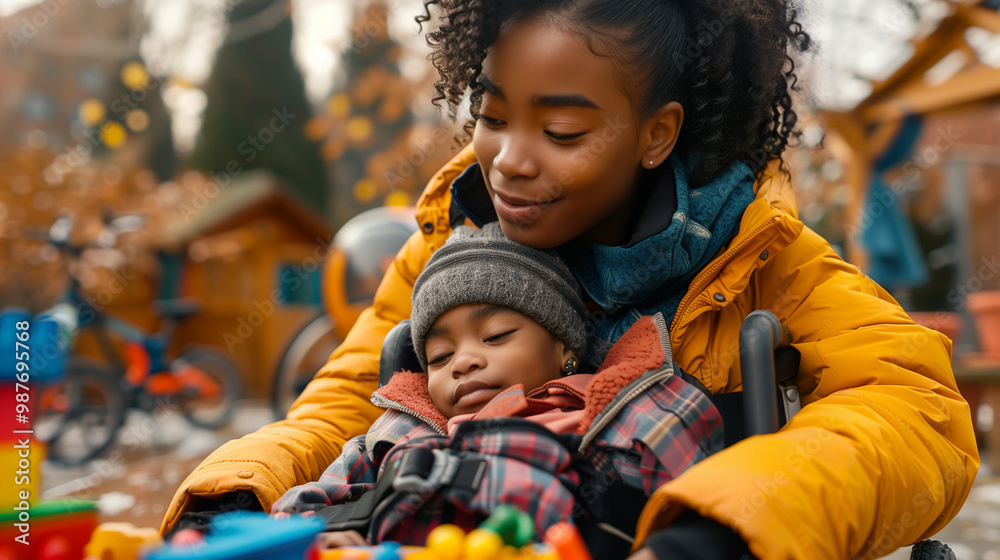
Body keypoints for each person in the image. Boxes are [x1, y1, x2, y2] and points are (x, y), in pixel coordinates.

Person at [162, 1, 980, 558]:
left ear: (657, 134)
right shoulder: (455, 247)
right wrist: (237, 493)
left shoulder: (763, 258)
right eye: (491, 116)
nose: (511, 161)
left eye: (559, 129)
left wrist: (729, 521)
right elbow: (346, 398)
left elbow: (917, 411)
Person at [270, 223, 723, 555]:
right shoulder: (399, 432)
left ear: (563, 345)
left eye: (496, 336)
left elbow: (696, 493)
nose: (463, 361)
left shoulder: (610, 410)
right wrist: (324, 532)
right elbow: (306, 503)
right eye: (440, 357)